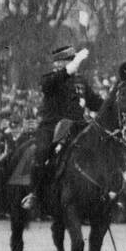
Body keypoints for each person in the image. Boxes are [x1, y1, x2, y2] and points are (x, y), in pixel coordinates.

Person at [22, 45, 104, 212]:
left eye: (73, 59)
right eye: (69, 60)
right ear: (58, 63)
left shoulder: (80, 81)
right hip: (53, 126)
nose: (74, 63)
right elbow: (53, 82)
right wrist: (73, 65)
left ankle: (104, 192)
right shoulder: (50, 79)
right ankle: (35, 193)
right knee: (42, 153)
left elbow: (95, 103)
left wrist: (111, 106)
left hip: (78, 126)